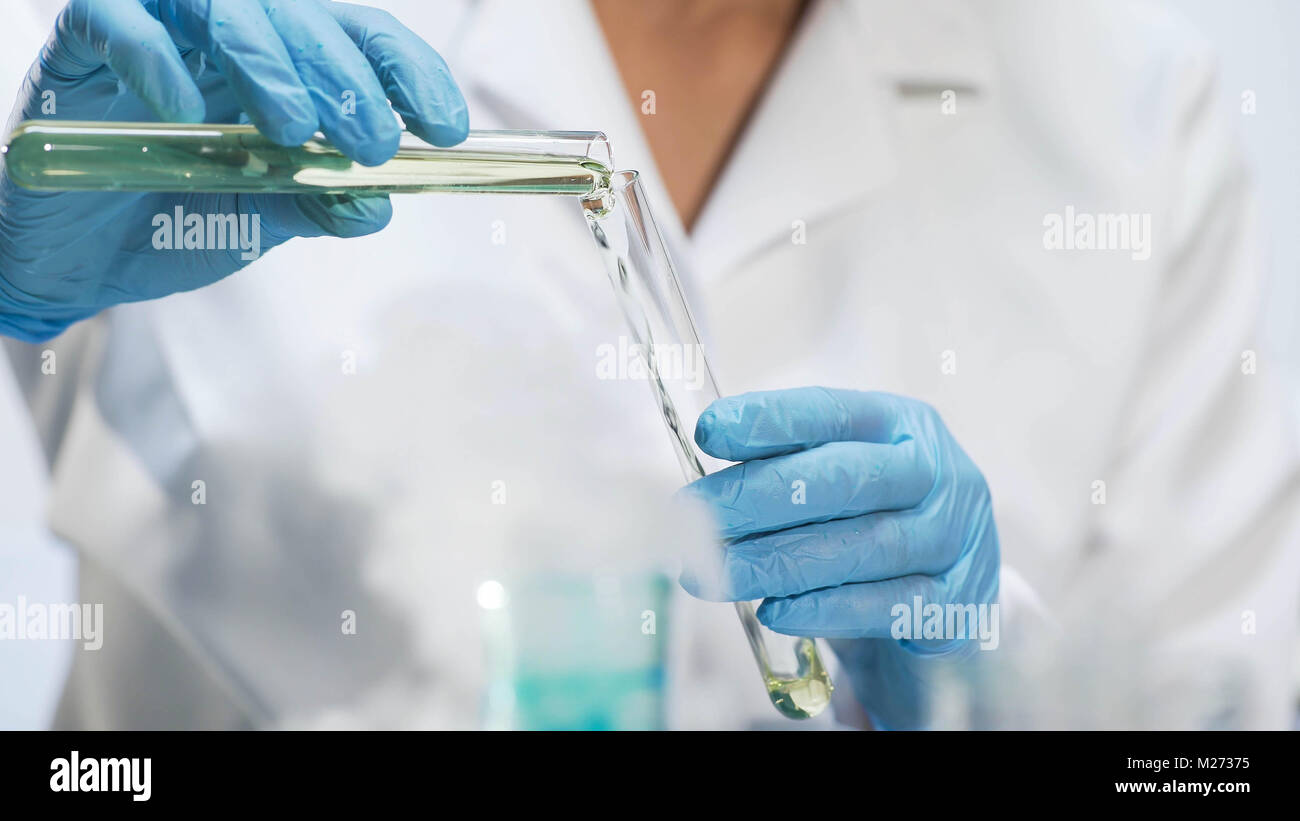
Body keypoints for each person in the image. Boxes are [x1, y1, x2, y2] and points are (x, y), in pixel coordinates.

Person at [0, 0, 1295, 730]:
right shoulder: (181, 35)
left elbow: (1213, 738)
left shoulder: (1133, 116)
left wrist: (979, 692)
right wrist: (8, 280)